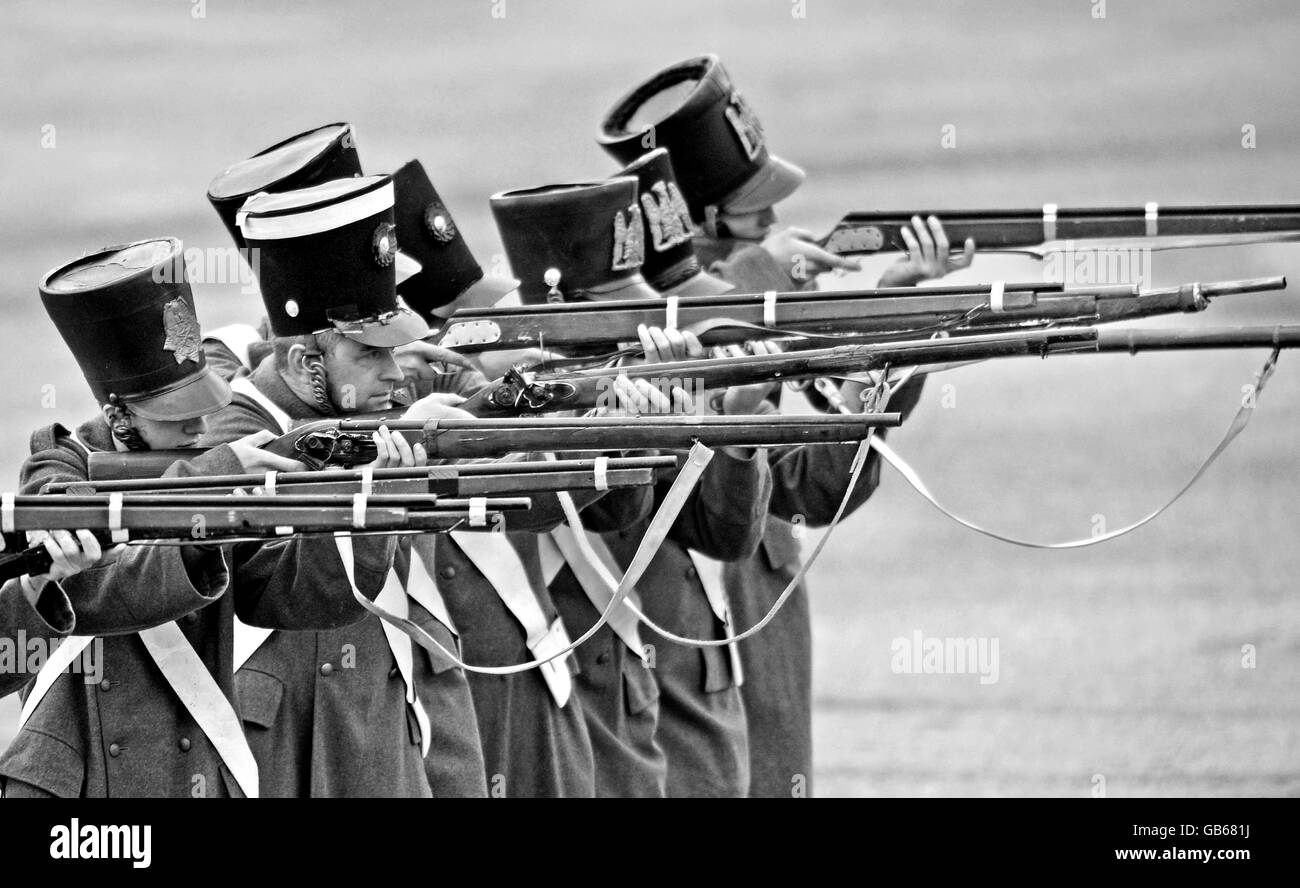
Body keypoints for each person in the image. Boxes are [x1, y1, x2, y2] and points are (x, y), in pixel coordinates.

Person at [598, 55, 972, 796]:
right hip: (681, 660)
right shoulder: (641, 328)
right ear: (700, 225)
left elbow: (818, 487)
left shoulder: (749, 325)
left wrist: (893, 319)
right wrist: (751, 288)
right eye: (754, 216)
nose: (775, 227)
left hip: (758, 639)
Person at [0, 237, 390, 798]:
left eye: (204, 411)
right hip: (84, 780)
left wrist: (364, 500)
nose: (199, 431)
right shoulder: (58, 469)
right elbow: (99, 588)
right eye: (175, 416)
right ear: (117, 415)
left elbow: (292, 597)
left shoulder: (208, 470)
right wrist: (217, 473)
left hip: (200, 767)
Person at [492, 176, 778, 797]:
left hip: (639, 706)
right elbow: (606, 511)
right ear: (558, 309)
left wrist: (731, 419)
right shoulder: (505, 403)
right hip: (562, 705)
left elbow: (724, 535)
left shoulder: (624, 382)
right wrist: (627, 427)